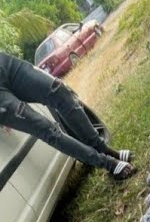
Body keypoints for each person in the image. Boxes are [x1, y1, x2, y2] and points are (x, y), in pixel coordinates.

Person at [0, 52, 134, 180]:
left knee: (58, 90)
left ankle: (103, 149)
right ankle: (108, 163)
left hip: (4, 64)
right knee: (46, 129)